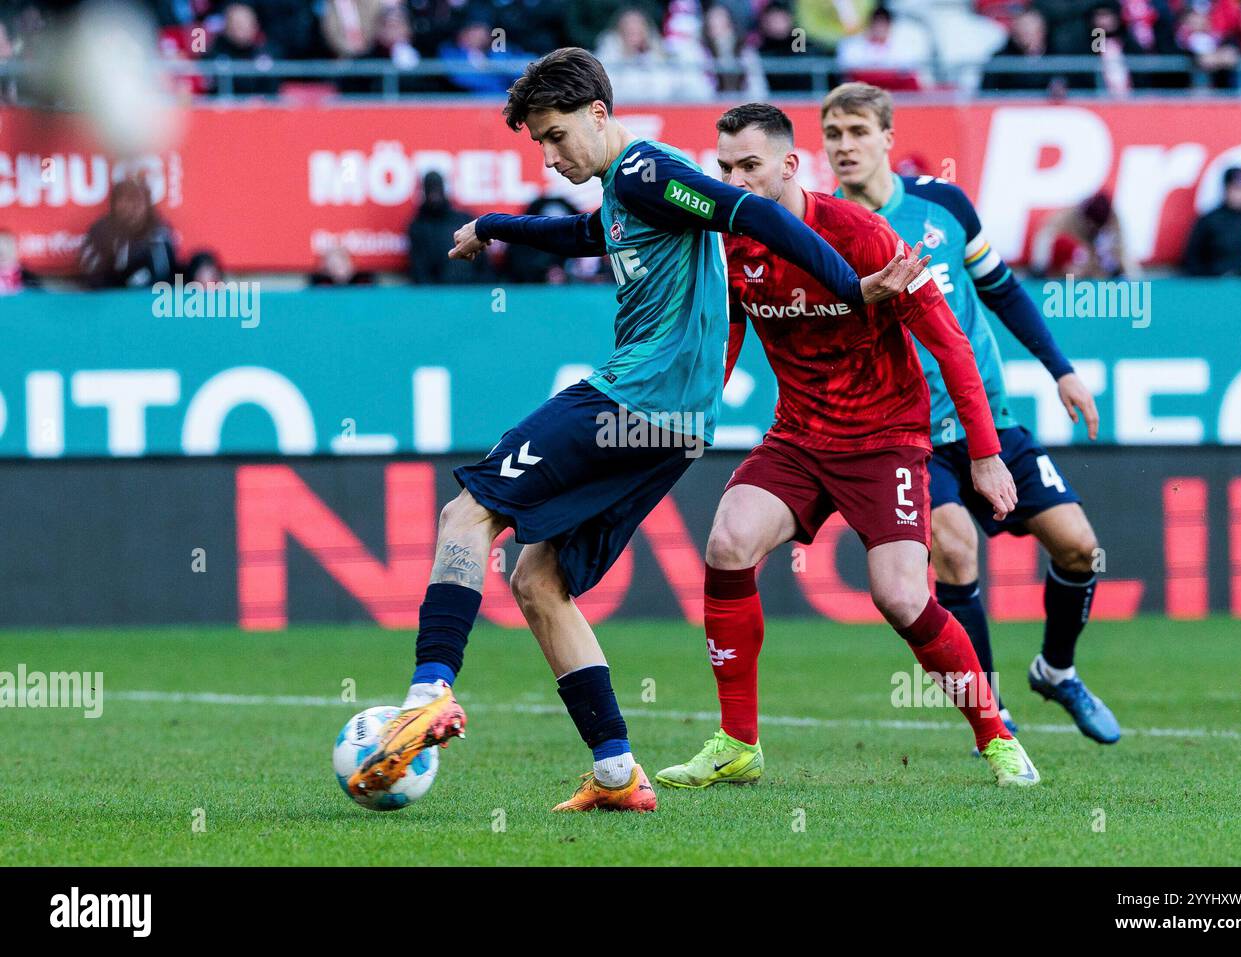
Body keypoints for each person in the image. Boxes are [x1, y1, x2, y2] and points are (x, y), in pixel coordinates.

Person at [347, 47, 903, 814]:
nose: (550, 155)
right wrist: (493, 225)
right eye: (539, 142)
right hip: (673, 426)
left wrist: (848, 286)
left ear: (599, 114)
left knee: (466, 511)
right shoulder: (625, 193)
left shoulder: (645, 170)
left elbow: (754, 212)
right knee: (539, 581)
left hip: (633, 398)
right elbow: (585, 236)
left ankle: (427, 693)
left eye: (555, 135)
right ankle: (616, 772)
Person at [654, 104, 1040, 791]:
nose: (734, 182)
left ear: (788, 165)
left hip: (884, 440)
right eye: (725, 168)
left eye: (750, 166)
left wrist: (985, 454)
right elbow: (728, 334)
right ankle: (738, 742)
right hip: (798, 437)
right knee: (727, 543)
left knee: (900, 597)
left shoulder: (863, 235)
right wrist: (694, 410)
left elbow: (952, 346)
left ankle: (996, 736)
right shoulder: (732, 242)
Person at [826, 83, 1121, 746]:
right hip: (908, 434)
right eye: (834, 134)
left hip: (989, 419)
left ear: (886, 138)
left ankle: (1056, 670)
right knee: (957, 550)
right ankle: (993, 714)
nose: (845, 146)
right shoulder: (824, 227)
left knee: (1080, 546)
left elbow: (1003, 291)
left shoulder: (946, 206)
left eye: (858, 131)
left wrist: (1062, 369)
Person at [79, 179, 177, 289]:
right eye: (126, 200)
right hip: (112, 294)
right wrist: (124, 283)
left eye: (138, 201)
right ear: (114, 204)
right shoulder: (100, 231)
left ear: (147, 204)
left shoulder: (159, 231)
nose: (132, 207)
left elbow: (166, 272)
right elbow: (91, 272)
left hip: (153, 294)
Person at [1031, 191, 1136, 278]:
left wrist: (1122, 270)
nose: (1093, 229)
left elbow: (1122, 252)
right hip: (1071, 271)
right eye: (1091, 225)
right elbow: (1045, 235)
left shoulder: (1112, 223)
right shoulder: (1069, 217)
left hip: (1098, 273)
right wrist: (1040, 266)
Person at [407, 171, 485, 284]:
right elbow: (419, 269)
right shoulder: (418, 227)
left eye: (437, 187)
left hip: (472, 287)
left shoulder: (465, 220)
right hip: (438, 291)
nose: (434, 194)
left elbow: (483, 262)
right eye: (430, 188)